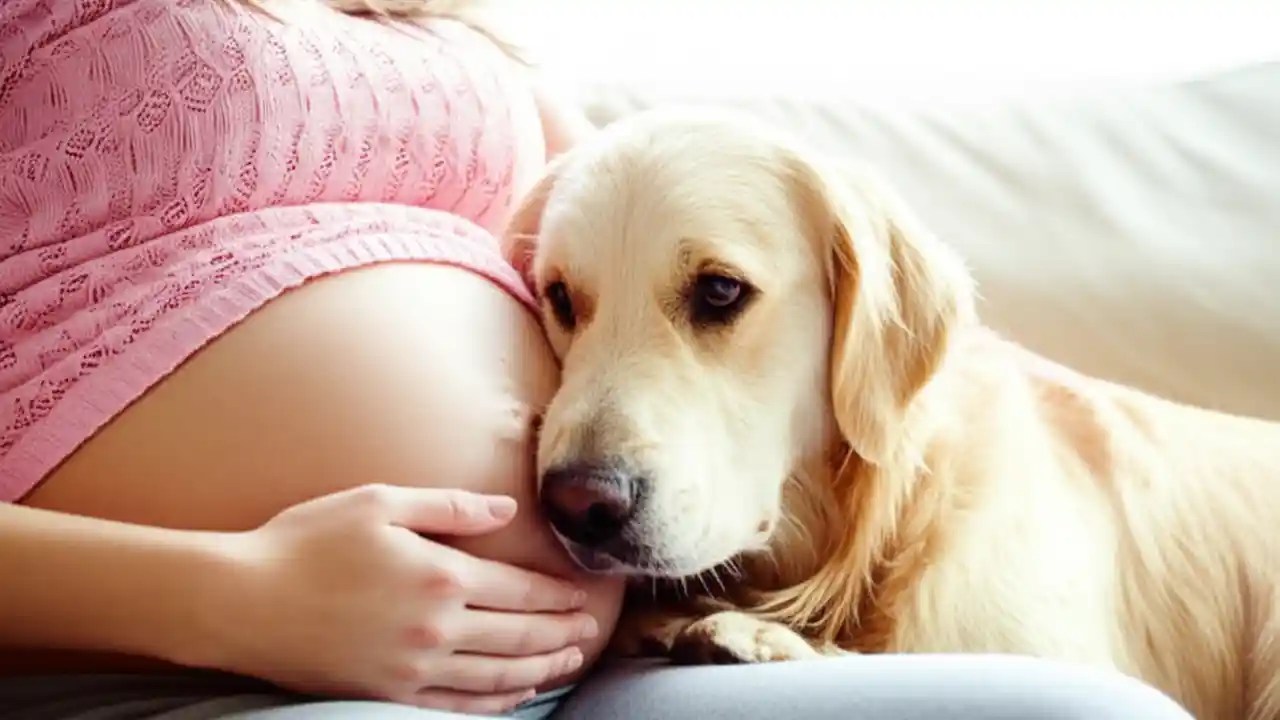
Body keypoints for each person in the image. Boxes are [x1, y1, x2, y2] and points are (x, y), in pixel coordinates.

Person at [0, 1, 1195, 718]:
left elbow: (710, 240)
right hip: (222, 676)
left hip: (620, 661)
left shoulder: (443, 31)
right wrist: (232, 599)